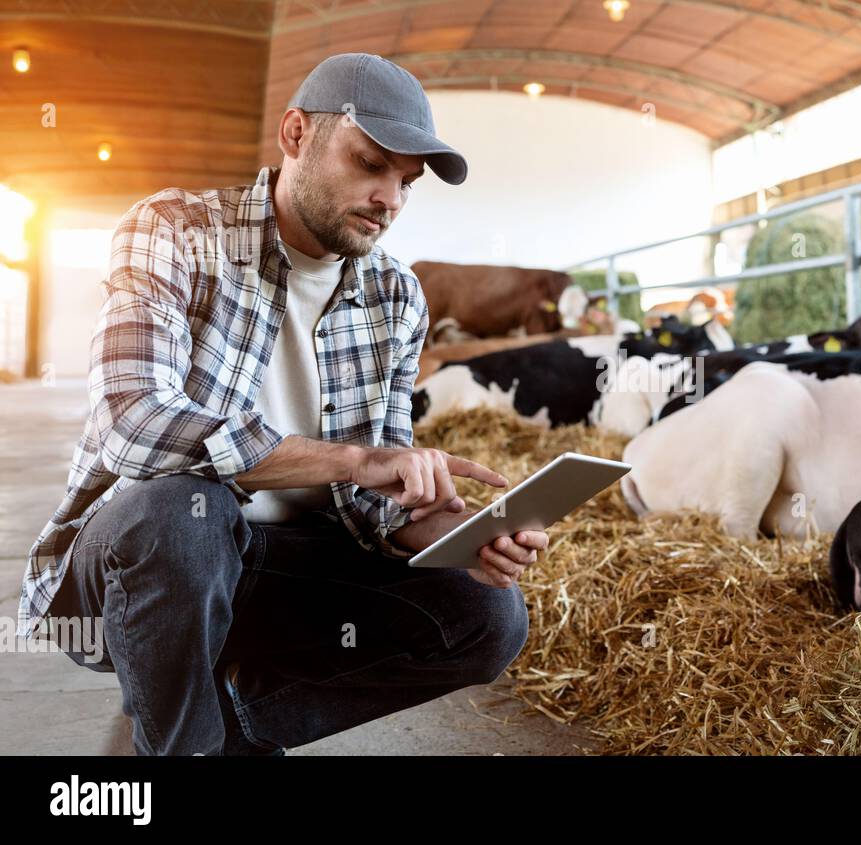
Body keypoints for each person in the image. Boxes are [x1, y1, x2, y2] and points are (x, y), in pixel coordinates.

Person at [20, 53, 547, 755]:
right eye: (369, 163)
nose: (390, 197)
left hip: (282, 569)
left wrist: (451, 532)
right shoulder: (175, 231)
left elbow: (374, 505)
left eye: (406, 182)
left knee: (488, 614)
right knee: (178, 508)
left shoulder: (396, 296)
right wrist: (356, 459)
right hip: (136, 569)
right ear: (295, 134)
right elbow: (132, 427)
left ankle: (216, 729)